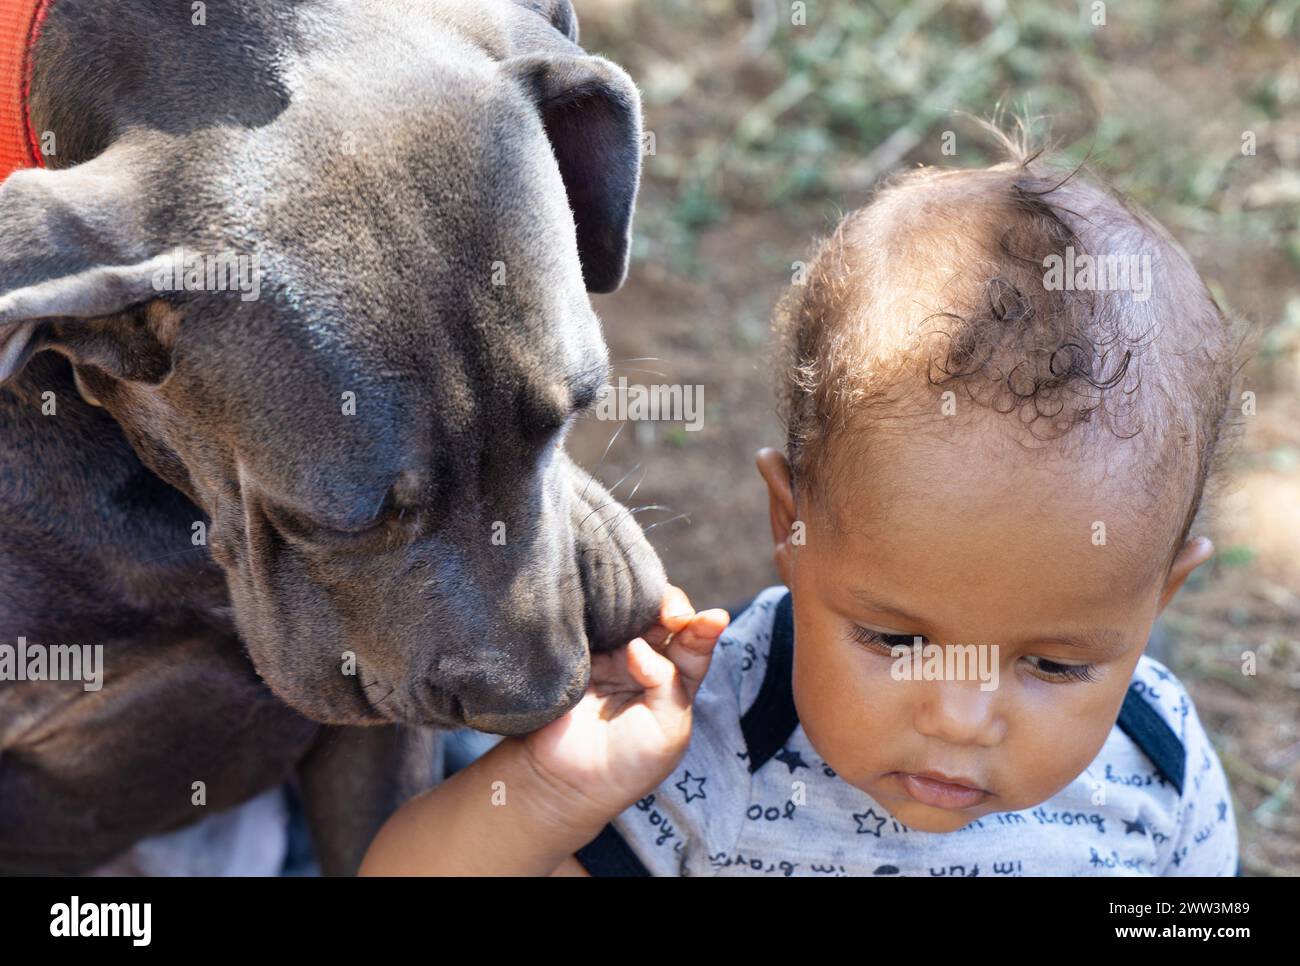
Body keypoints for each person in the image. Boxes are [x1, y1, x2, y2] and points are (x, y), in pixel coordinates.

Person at [359, 131, 1243, 876]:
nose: (962, 719)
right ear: (792, 525)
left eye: (1054, 665)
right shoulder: (713, 744)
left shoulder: (1157, 775)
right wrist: (557, 791)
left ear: (1158, 598)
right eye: (897, 641)